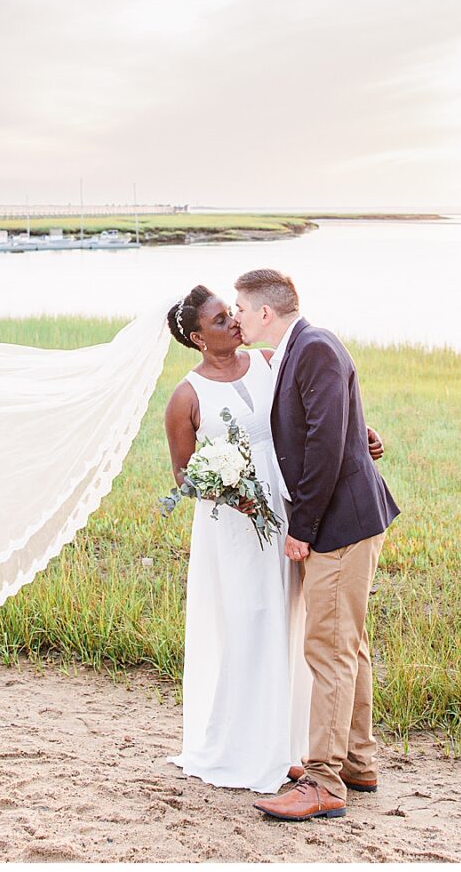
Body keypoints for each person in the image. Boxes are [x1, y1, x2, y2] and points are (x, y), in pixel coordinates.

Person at [161, 285, 385, 795]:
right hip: (236, 528)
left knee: (307, 625)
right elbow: (183, 474)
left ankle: (300, 750)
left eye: (232, 312)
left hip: (290, 516)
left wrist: (359, 431)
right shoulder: (186, 396)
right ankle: (249, 747)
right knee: (251, 625)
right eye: (220, 320)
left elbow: (313, 413)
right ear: (198, 338)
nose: (233, 323)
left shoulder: (268, 360)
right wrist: (227, 490)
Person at [231, 269, 400, 823]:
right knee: (347, 644)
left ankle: (325, 782)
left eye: (239, 307)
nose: (235, 316)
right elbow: (331, 421)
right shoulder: (297, 350)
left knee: (326, 649)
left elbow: (325, 445)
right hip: (345, 518)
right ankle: (356, 760)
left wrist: (300, 527)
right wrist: (363, 434)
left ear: (264, 313)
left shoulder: (314, 347)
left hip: (340, 524)